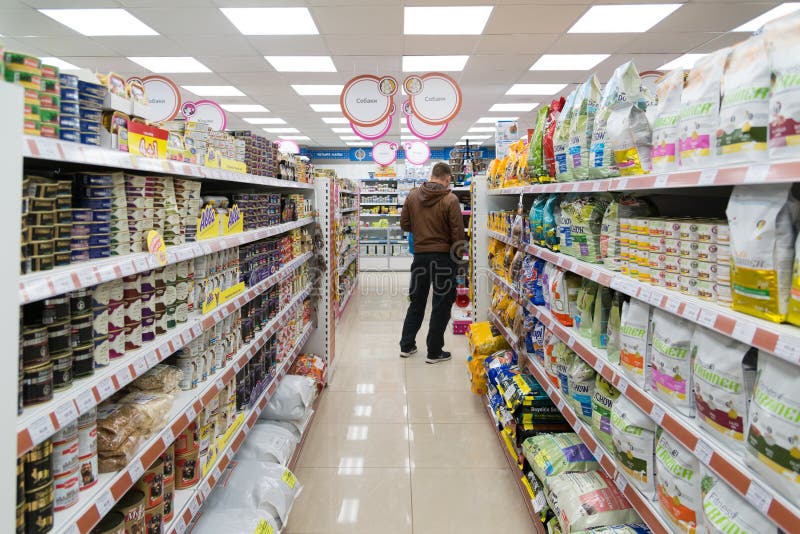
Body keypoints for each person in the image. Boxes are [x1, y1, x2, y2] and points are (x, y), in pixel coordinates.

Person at [399, 162, 466, 364]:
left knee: (417, 301)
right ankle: (434, 351)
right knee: (441, 304)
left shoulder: (412, 196)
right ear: (447, 178)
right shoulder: (450, 199)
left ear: (431, 175)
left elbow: (405, 224)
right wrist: (458, 260)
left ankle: (407, 345)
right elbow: (457, 233)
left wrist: (421, 232)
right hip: (443, 259)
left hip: (420, 258)